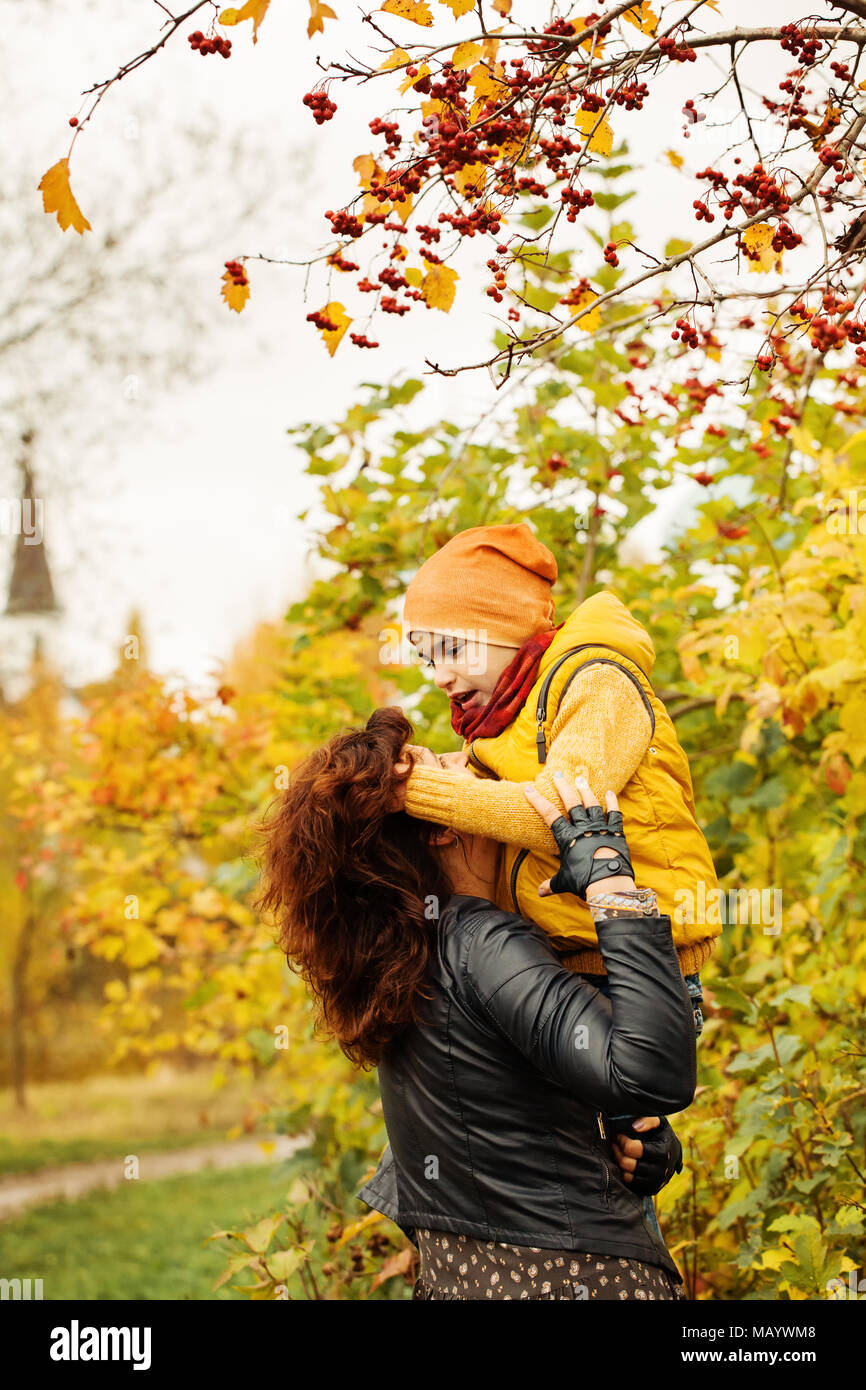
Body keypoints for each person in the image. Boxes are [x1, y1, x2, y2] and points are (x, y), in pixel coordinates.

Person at [257, 705, 696, 1300]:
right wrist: (610, 879)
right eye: (451, 766)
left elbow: (496, 1120)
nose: (475, 762)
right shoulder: (481, 942)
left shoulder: (412, 959)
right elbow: (650, 1072)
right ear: (442, 822)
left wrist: (623, 1135)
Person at [393, 521, 720, 1033]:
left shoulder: (597, 682)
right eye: (426, 657)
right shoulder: (499, 722)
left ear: (507, 628)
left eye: (453, 650)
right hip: (561, 963)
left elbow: (561, 822)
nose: (439, 675)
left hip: (634, 967)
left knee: (627, 1101)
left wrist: (412, 787)